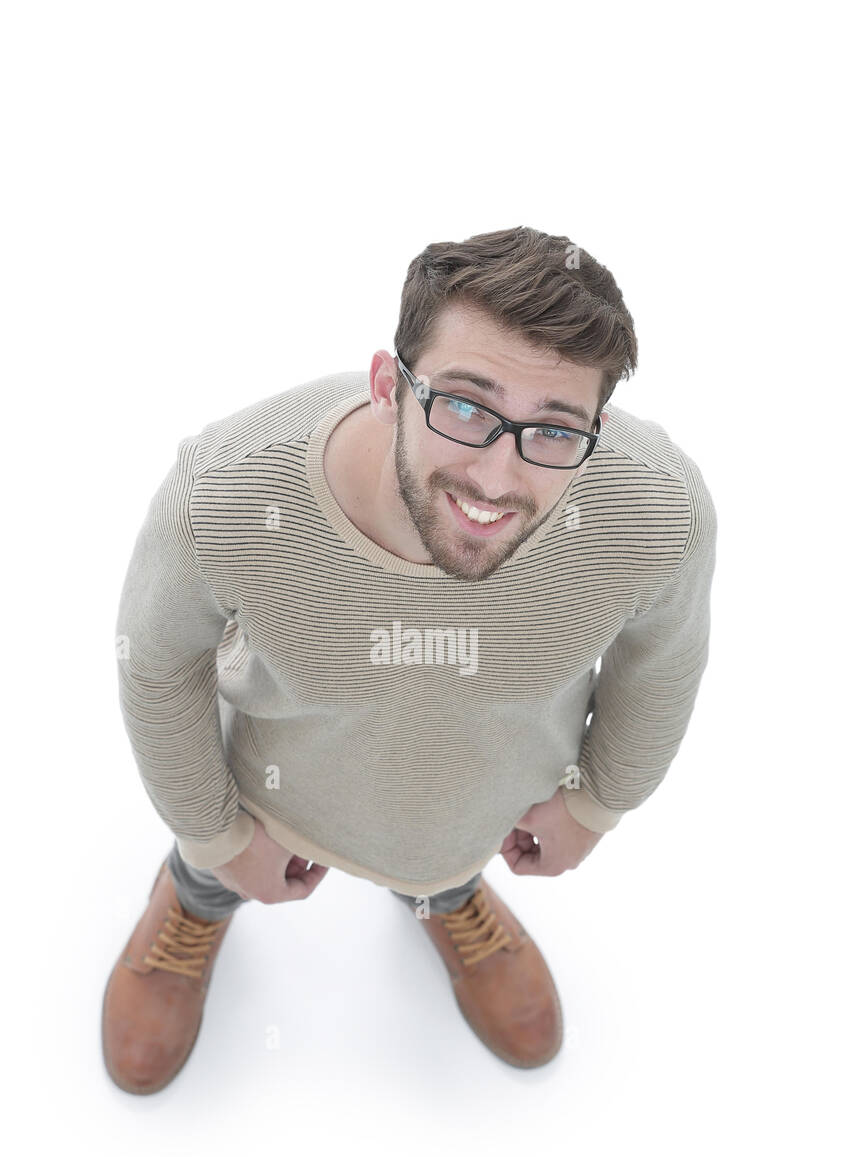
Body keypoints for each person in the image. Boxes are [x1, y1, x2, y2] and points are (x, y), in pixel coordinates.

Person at [102, 224, 717, 1094]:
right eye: (465, 405)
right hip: (273, 787)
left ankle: (442, 887)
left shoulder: (657, 512)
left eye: (553, 429)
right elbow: (156, 666)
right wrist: (216, 838)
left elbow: (665, 663)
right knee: (212, 867)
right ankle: (197, 897)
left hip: (477, 796)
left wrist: (602, 801)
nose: (499, 477)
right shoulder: (229, 491)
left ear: (597, 429)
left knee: (441, 842)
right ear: (389, 385)